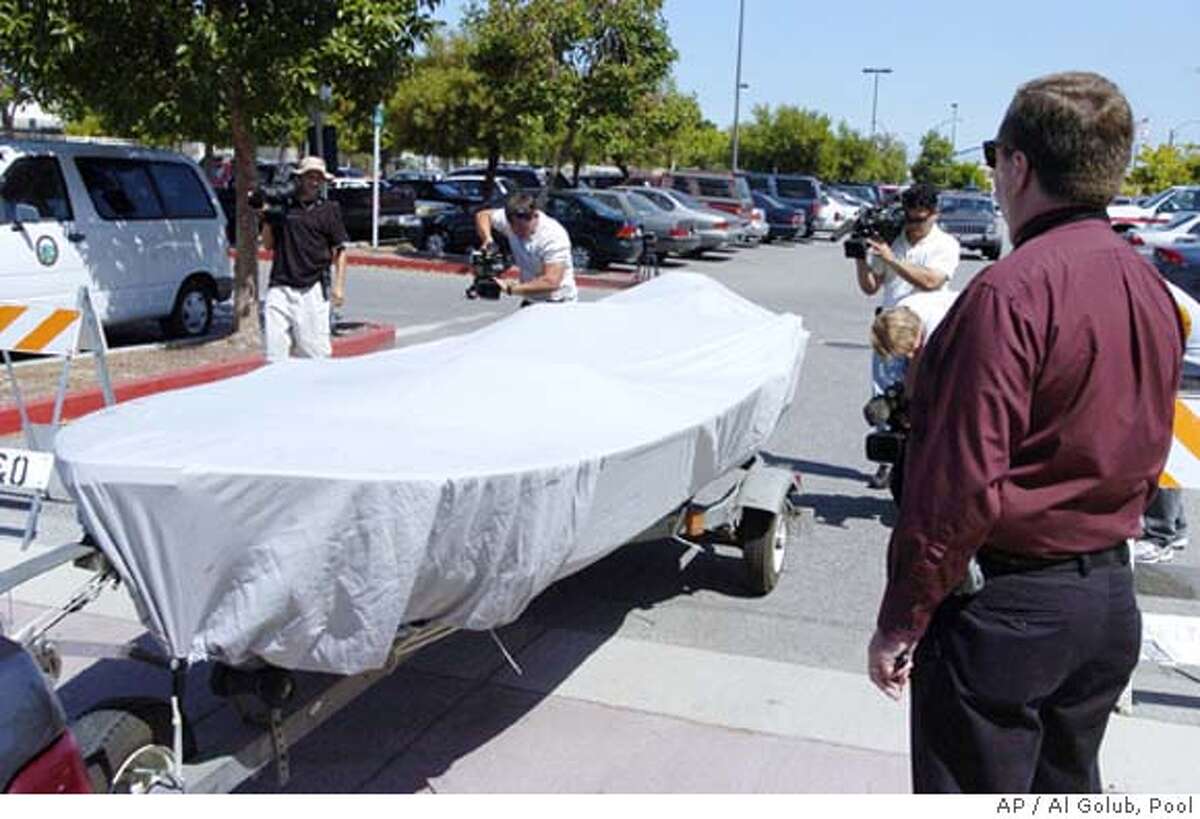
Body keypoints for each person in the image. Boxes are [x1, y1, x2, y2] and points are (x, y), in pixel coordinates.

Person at [866, 72, 1184, 793]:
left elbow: (960, 486)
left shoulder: (1009, 294)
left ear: (1018, 166)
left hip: (1009, 614)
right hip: (1105, 604)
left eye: (994, 158)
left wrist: (903, 616)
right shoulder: (1150, 289)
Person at [855, 183, 960, 489]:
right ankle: (888, 461)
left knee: (920, 401)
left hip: (926, 333)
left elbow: (930, 281)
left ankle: (921, 462)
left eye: (919, 219)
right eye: (909, 218)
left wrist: (890, 259)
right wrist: (860, 258)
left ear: (934, 214)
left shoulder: (945, 245)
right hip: (890, 331)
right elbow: (870, 286)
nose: (912, 225)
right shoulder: (893, 238)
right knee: (885, 400)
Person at [1134, 280, 1200, 563]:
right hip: (1186, 358)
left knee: (1161, 443)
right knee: (1168, 445)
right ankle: (1176, 527)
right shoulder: (1151, 287)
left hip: (1191, 365)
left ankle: (1159, 534)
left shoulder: (1152, 293)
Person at [260, 156, 349, 362]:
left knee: (315, 354)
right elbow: (268, 245)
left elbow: (340, 250)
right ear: (300, 179)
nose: (314, 182)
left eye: (319, 178)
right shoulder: (284, 208)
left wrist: (339, 287)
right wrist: (267, 219)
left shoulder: (329, 210)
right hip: (280, 287)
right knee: (275, 355)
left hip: (312, 290)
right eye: (310, 176)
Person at [474, 191, 577, 305]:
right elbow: (483, 215)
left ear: (535, 215)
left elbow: (551, 282)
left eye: (524, 228)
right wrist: (488, 239)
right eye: (516, 228)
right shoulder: (510, 220)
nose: (520, 233)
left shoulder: (553, 236)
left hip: (557, 302)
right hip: (531, 299)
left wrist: (509, 288)